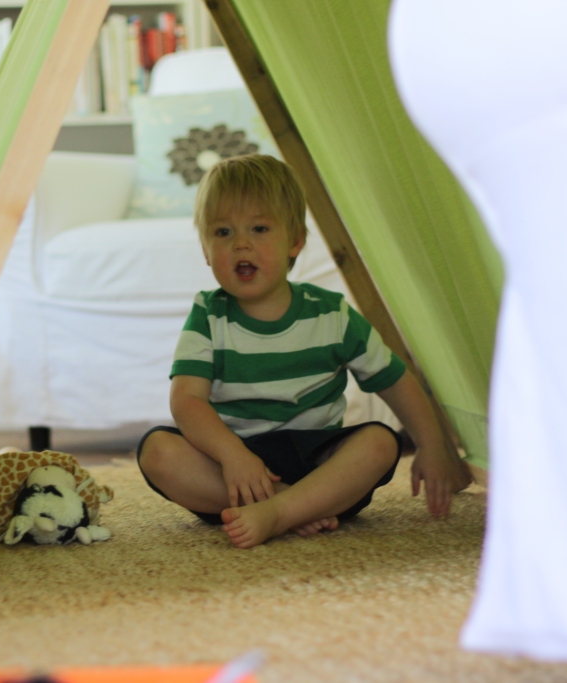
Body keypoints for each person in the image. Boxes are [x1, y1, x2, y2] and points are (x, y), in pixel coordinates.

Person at [136, 154, 472, 548]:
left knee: (381, 443)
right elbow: (187, 402)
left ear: (295, 240)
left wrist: (432, 445)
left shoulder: (332, 314)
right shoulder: (208, 315)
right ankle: (290, 508)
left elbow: (394, 380)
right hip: (235, 471)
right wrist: (233, 457)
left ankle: (283, 510)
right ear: (206, 251)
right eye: (223, 232)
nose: (241, 243)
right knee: (157, 452)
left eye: (259, 228)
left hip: (317, 463)